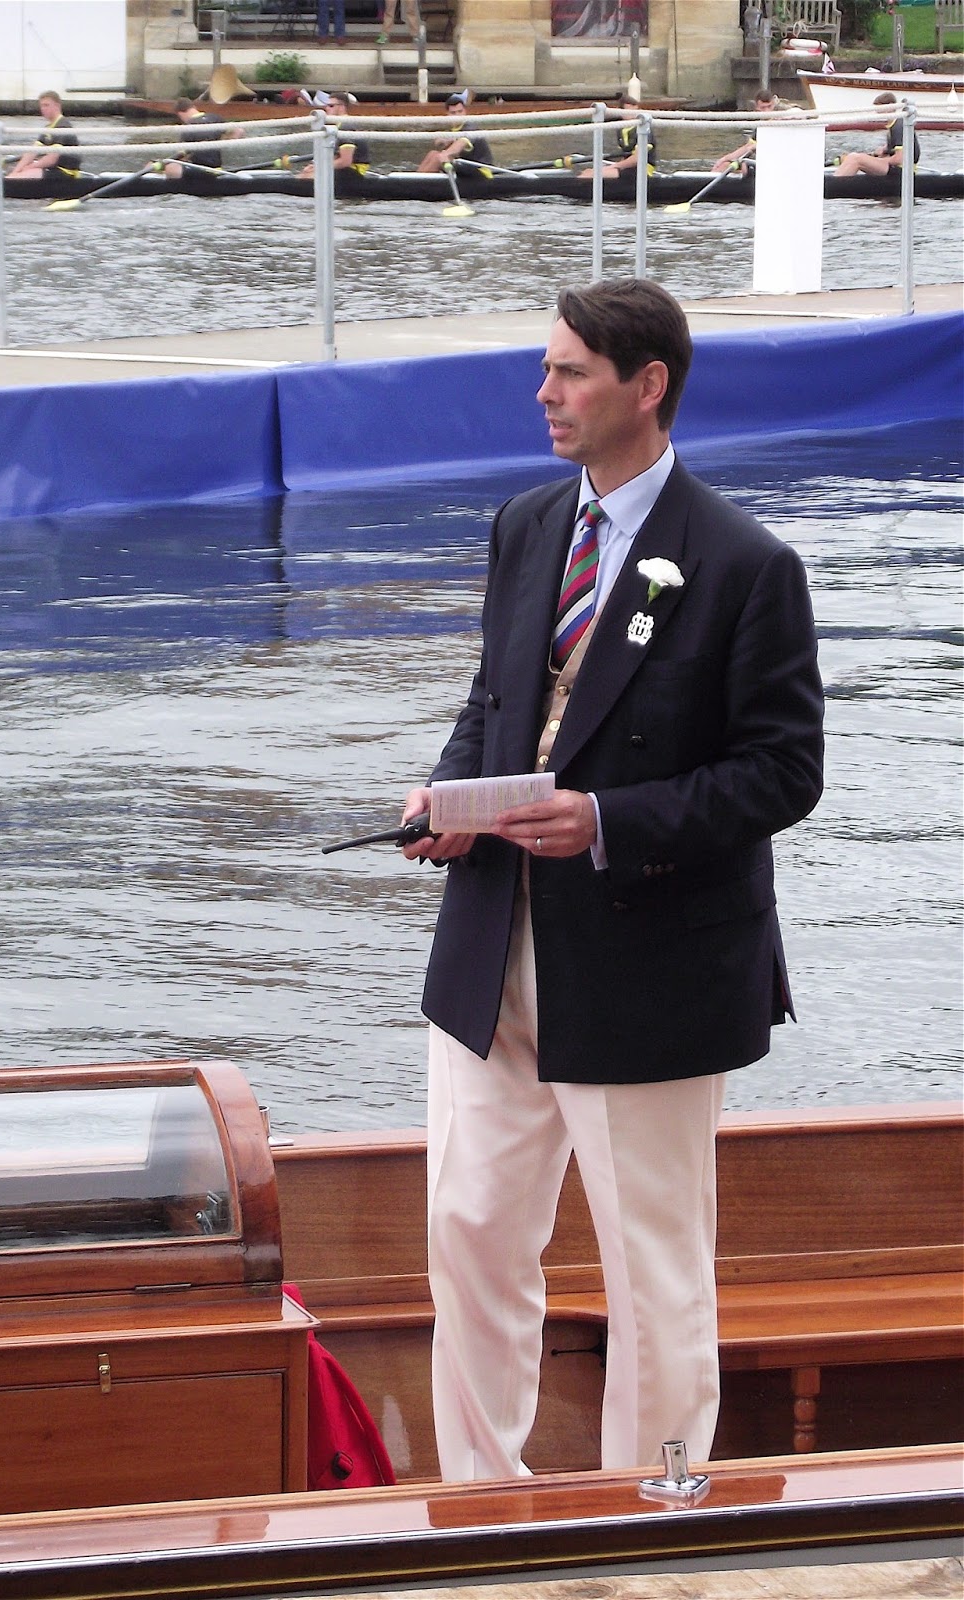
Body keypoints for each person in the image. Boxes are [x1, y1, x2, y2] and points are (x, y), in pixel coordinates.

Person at [400, 277, 824, 1481]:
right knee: (468, 1230)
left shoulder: (746, 563)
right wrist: (444, 798)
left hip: (649, 965)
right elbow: (494, 705)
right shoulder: (527, 525)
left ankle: (660, 1512)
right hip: (492, 944)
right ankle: (482, 1499)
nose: (544, 393)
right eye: (545, 369)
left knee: (652, 1266)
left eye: (571, 372)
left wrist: (602, 819)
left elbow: (783, 774)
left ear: (648, 387)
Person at [831, 91, 920, 179]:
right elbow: (896, 148)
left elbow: (899, 159)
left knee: (855, 158)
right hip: (898, 168)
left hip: (904, 172)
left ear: (890, 105)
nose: (877, 112)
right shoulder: (893, 125)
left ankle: (831, 187)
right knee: (853, 157)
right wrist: (883, 150)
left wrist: (877, 160)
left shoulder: (899, 126)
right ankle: (836, 182)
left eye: (880, 108)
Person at [8, 91, 82, 186]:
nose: (43, 109)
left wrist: (30, 167)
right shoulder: (48, 127)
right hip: (53, 169)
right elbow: (32, 152)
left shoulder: (62, 126)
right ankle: (9, 179)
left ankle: (4, 185)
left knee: (29, 172)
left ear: (57, 106)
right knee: (17, 171)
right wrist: (16, 170)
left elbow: (52, 159)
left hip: (66, 173)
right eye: (42, 106)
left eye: (46, 105)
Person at [578, 90, 655, 180]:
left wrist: (612, 167)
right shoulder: (621, 129)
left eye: (633, 110)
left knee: (589, 175)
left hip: (644, 170)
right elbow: (624, 156)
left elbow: (637, 159)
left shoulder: (644, 128)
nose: (631, 114)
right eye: (627, 110)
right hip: (629, 169)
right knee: (587, 172)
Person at [146, 100, 235, 178]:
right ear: (194, 107)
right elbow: (239, 131)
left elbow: (182, 157)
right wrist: (221, 142)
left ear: (180, 114)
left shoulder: (188, 127)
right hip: (217, 169)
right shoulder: (215, 117)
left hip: (202, 171)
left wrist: (162, 167)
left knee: (167, 167)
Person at [416, 92, 494, 177]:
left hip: (481, 171)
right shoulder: (453, 129)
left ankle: (415, 184)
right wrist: (443, 142)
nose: (457, 115)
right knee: (433, 153)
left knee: (438, 157)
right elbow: (439, 143)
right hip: (464, 167)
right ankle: (415, 178)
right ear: (448, 114)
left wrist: (446, 154)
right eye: (453, 113)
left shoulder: (471, 127)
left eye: (460, 111)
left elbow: (460, 143)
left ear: (465, 111)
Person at [298, 93, 371, 177]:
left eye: (331, 106)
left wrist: (319, 168)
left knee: (306, 177)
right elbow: (336, 156)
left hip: (354, 171)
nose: (326, 108)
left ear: (341, 107)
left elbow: (345, 161)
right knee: (306, 174)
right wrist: (314, 166)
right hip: (347, 169)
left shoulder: (346, 126)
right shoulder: (338, 126)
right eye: (326, 106)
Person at [712, 89, 778, 172]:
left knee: (744, 166)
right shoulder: (759, 126)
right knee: (722, 166)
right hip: (760, 162)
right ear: (757, 107)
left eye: (769, 106)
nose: (767, 111)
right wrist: (724, 158)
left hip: (774, 163)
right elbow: (747, 147)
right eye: (763, 108)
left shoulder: (782, 121)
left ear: (774, 104)